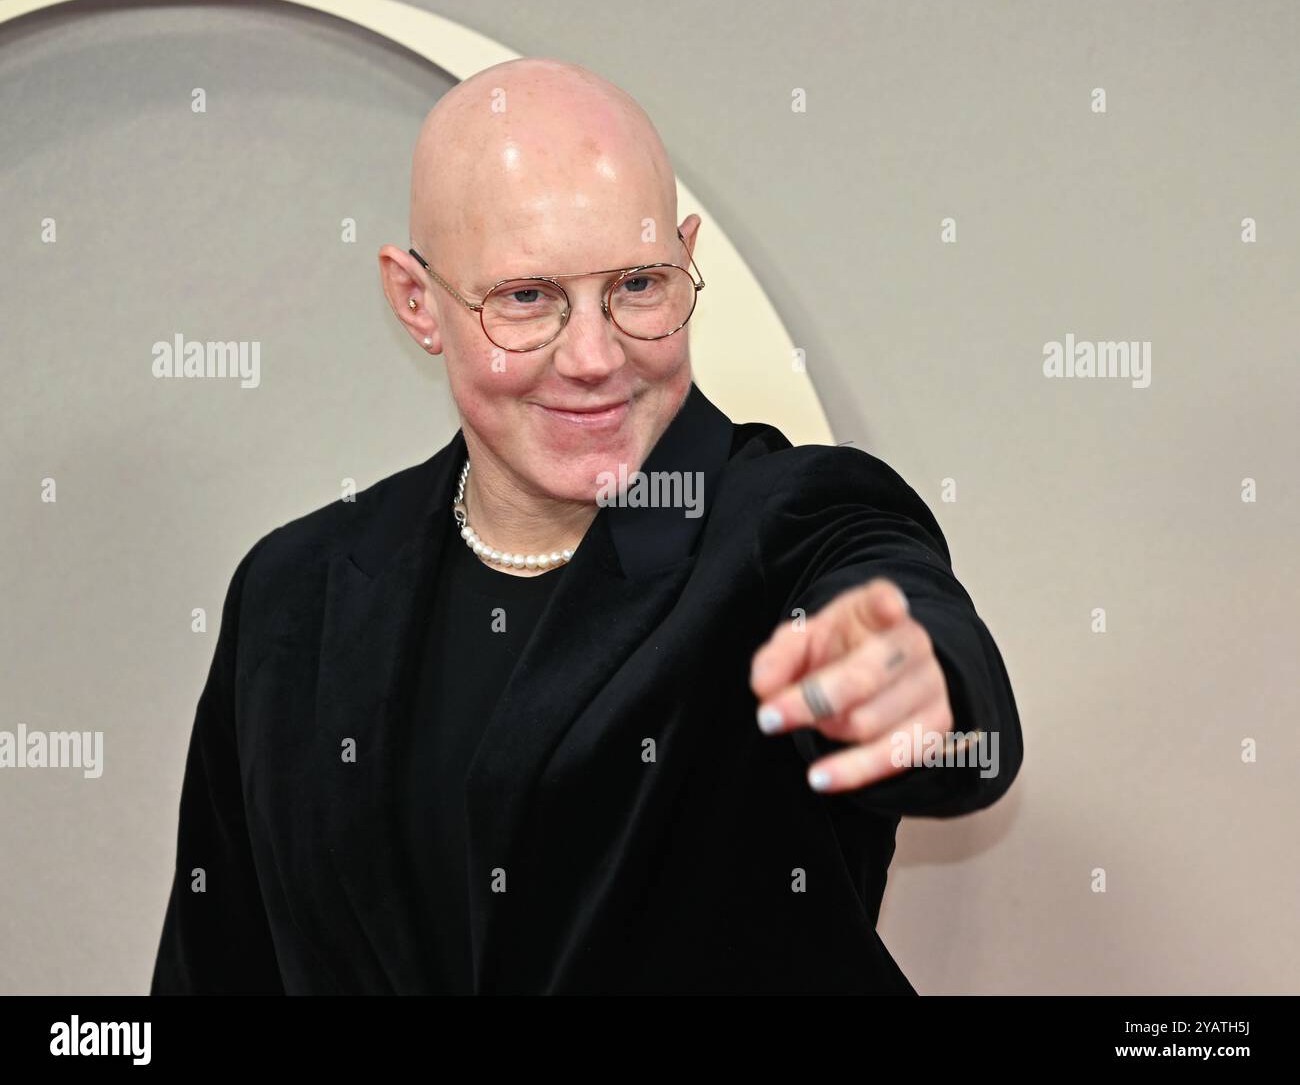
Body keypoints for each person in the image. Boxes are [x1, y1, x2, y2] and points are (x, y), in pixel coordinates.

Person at [150, 57, 1022, 995]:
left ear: (688, 259)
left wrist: (920, 691)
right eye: (527, 298)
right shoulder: (294, 591)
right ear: (417, 302)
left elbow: (939, 680)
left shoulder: (794, 520)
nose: (597, 357)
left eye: (640, 286)